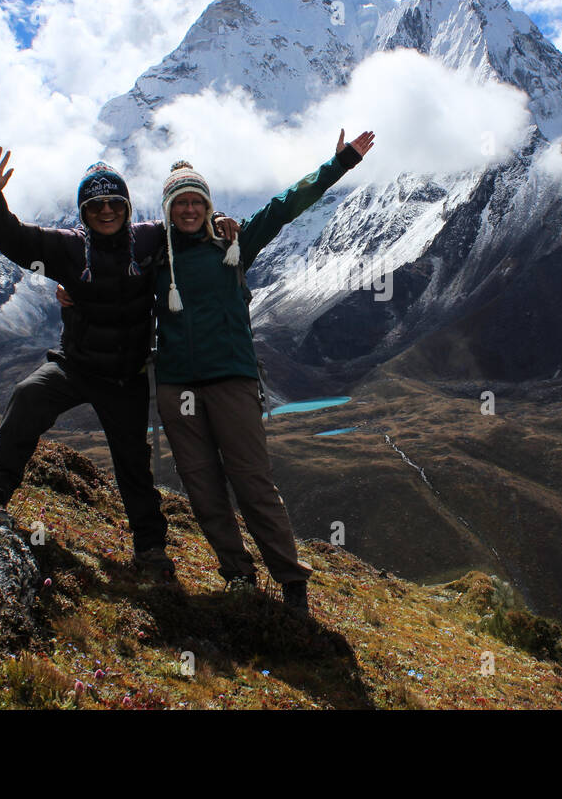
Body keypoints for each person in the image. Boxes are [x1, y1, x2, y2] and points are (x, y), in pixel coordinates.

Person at [63, 129, 375, 615]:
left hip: (230, 379)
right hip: (177, 386)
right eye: (179, 203)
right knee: (202, 487)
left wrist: (339, 164)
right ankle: (238, 576)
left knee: (252, 482)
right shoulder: (154, 257)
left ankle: (291, 581)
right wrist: (70, 293)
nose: (188, 209)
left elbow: (285, 205)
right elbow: (106, 277)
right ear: (167, 210)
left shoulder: (234, 244)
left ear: (208, 206)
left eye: (196, 201)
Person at [0, 146, 238, 578]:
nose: (107, 211)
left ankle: (150, 549)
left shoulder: (151, 238)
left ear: (128, 207)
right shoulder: (67, 248)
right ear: (84, 211)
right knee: (28, 397)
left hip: (125, 378)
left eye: (115, 203)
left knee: (133, 463)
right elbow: (15, 238)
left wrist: (220, 218)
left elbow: (187, 218)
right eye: (96, 205)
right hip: (75, 366)